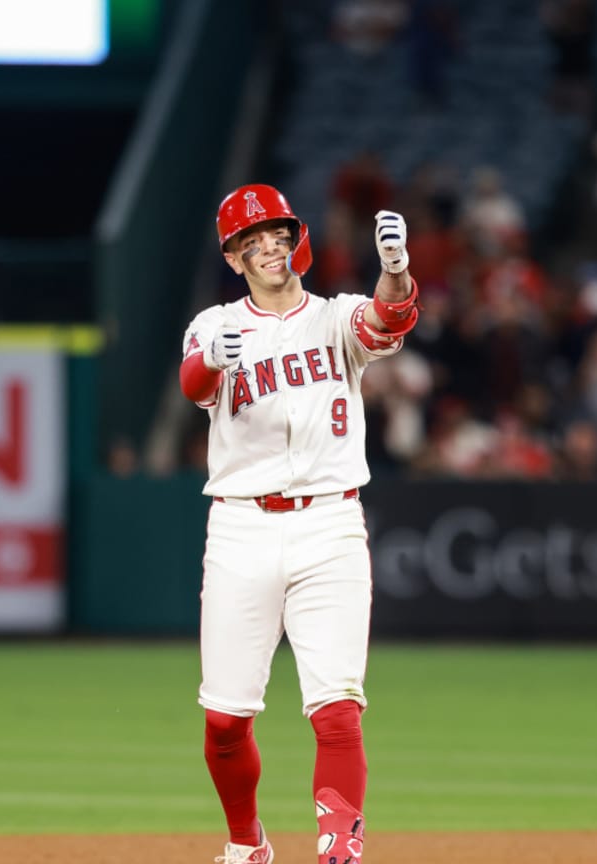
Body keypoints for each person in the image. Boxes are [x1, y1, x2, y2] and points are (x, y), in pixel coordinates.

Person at [178, 184, 418, 864]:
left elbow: (388, 320)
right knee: (225, 719)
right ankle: (246, 843)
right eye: (251, 240)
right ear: (234, 258)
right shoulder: (214, 323)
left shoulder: (334, 317)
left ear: (295, 241)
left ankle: (340, 855)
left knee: (338, 708)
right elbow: (194, 385)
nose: (268, 247)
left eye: (277, 235)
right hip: (241, 527)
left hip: (330, 523)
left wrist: (396, 269)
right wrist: (212, 360)